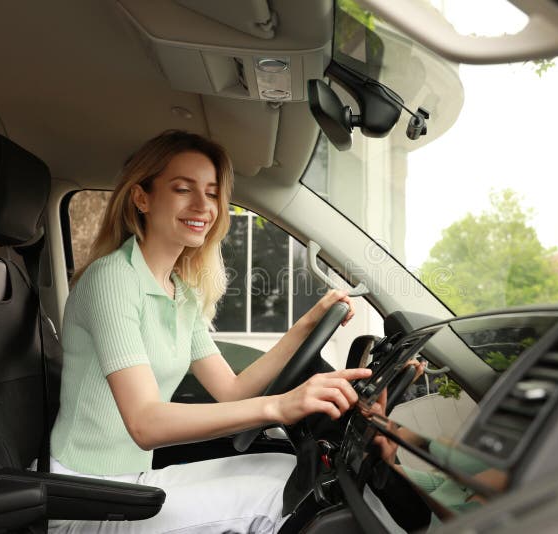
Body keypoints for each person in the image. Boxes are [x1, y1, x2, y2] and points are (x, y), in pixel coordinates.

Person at [48, 130, 372, 533]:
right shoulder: (112, 279)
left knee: (284, 467)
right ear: (142, 198)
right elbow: (145, 423)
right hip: (87, 501)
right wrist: (280, 405)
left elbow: (232, 391)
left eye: (213, 193)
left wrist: (306, 325)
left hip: (129, 485)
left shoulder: (179, 293)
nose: (203, 205)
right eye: (183, 189)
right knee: (280, 499)